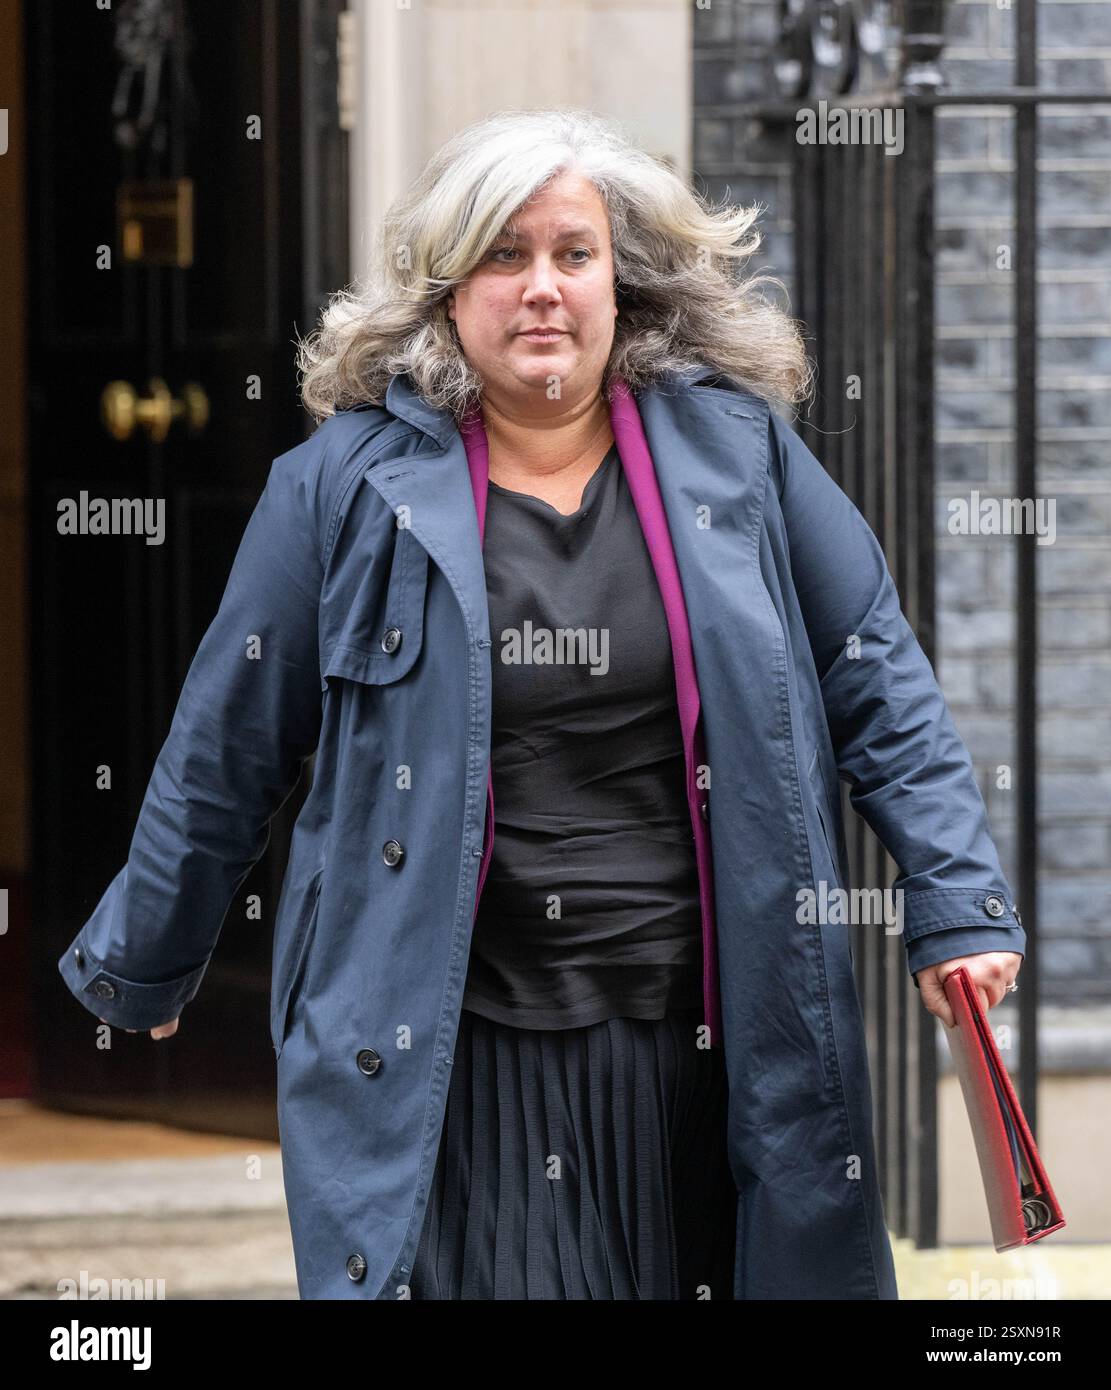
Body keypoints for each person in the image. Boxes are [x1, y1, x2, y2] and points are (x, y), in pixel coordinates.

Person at [63, 107, 1025, 1300]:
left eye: (574, 253)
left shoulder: (739, 457)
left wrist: (957, 902)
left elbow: (877, 677)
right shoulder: (337, 490)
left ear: (621, 281)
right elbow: (227, 740)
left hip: (707, 1049)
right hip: (451, 1060)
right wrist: (148, 954)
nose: (541, 288)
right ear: (446, 286)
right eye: (503, 255)